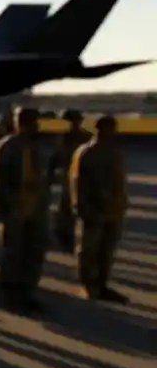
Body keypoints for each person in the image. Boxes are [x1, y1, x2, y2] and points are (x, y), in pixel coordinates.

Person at [0, 107, 50, 312]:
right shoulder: (8, 146)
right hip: (14, 207)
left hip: (36, 208)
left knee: (34, 252)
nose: (33, 125)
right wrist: (3, 207)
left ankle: (27, 292)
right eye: (28, 121)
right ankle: (10, 295)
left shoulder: (38, 146)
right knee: (13, 254)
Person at [70, 115, 128, 303]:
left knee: (106, 250)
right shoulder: (86, 152)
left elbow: (120, 181)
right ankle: (88, 286)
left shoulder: (115, 152)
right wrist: (81, 207)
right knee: (89, 251)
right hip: (93, 210)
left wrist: (122, 203)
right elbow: (77, 182)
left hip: (113, 210)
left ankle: (102, 285)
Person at [49, 109, 91, 253]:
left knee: (76, 209)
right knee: (66, 210)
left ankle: (73, 239)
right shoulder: (64, 138)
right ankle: (66, 237)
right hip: (70, 177)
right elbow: (55, 158)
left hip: (82, 179)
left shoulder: (86, 138)